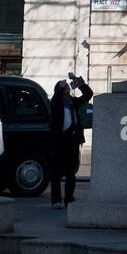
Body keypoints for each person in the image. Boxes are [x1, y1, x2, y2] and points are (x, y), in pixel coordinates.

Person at [49, 73, 93, 208]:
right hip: (59, 140)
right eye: (64, 87)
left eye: (67, 86)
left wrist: (78, 82)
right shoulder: (56, 102)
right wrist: (60, 87)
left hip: (73, 140)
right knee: (55, 173)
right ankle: (56, 200)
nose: (67, 87)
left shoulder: (73, 101)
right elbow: (56, 99)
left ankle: (69, 199)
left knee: (70, 173)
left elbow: (88, 94)